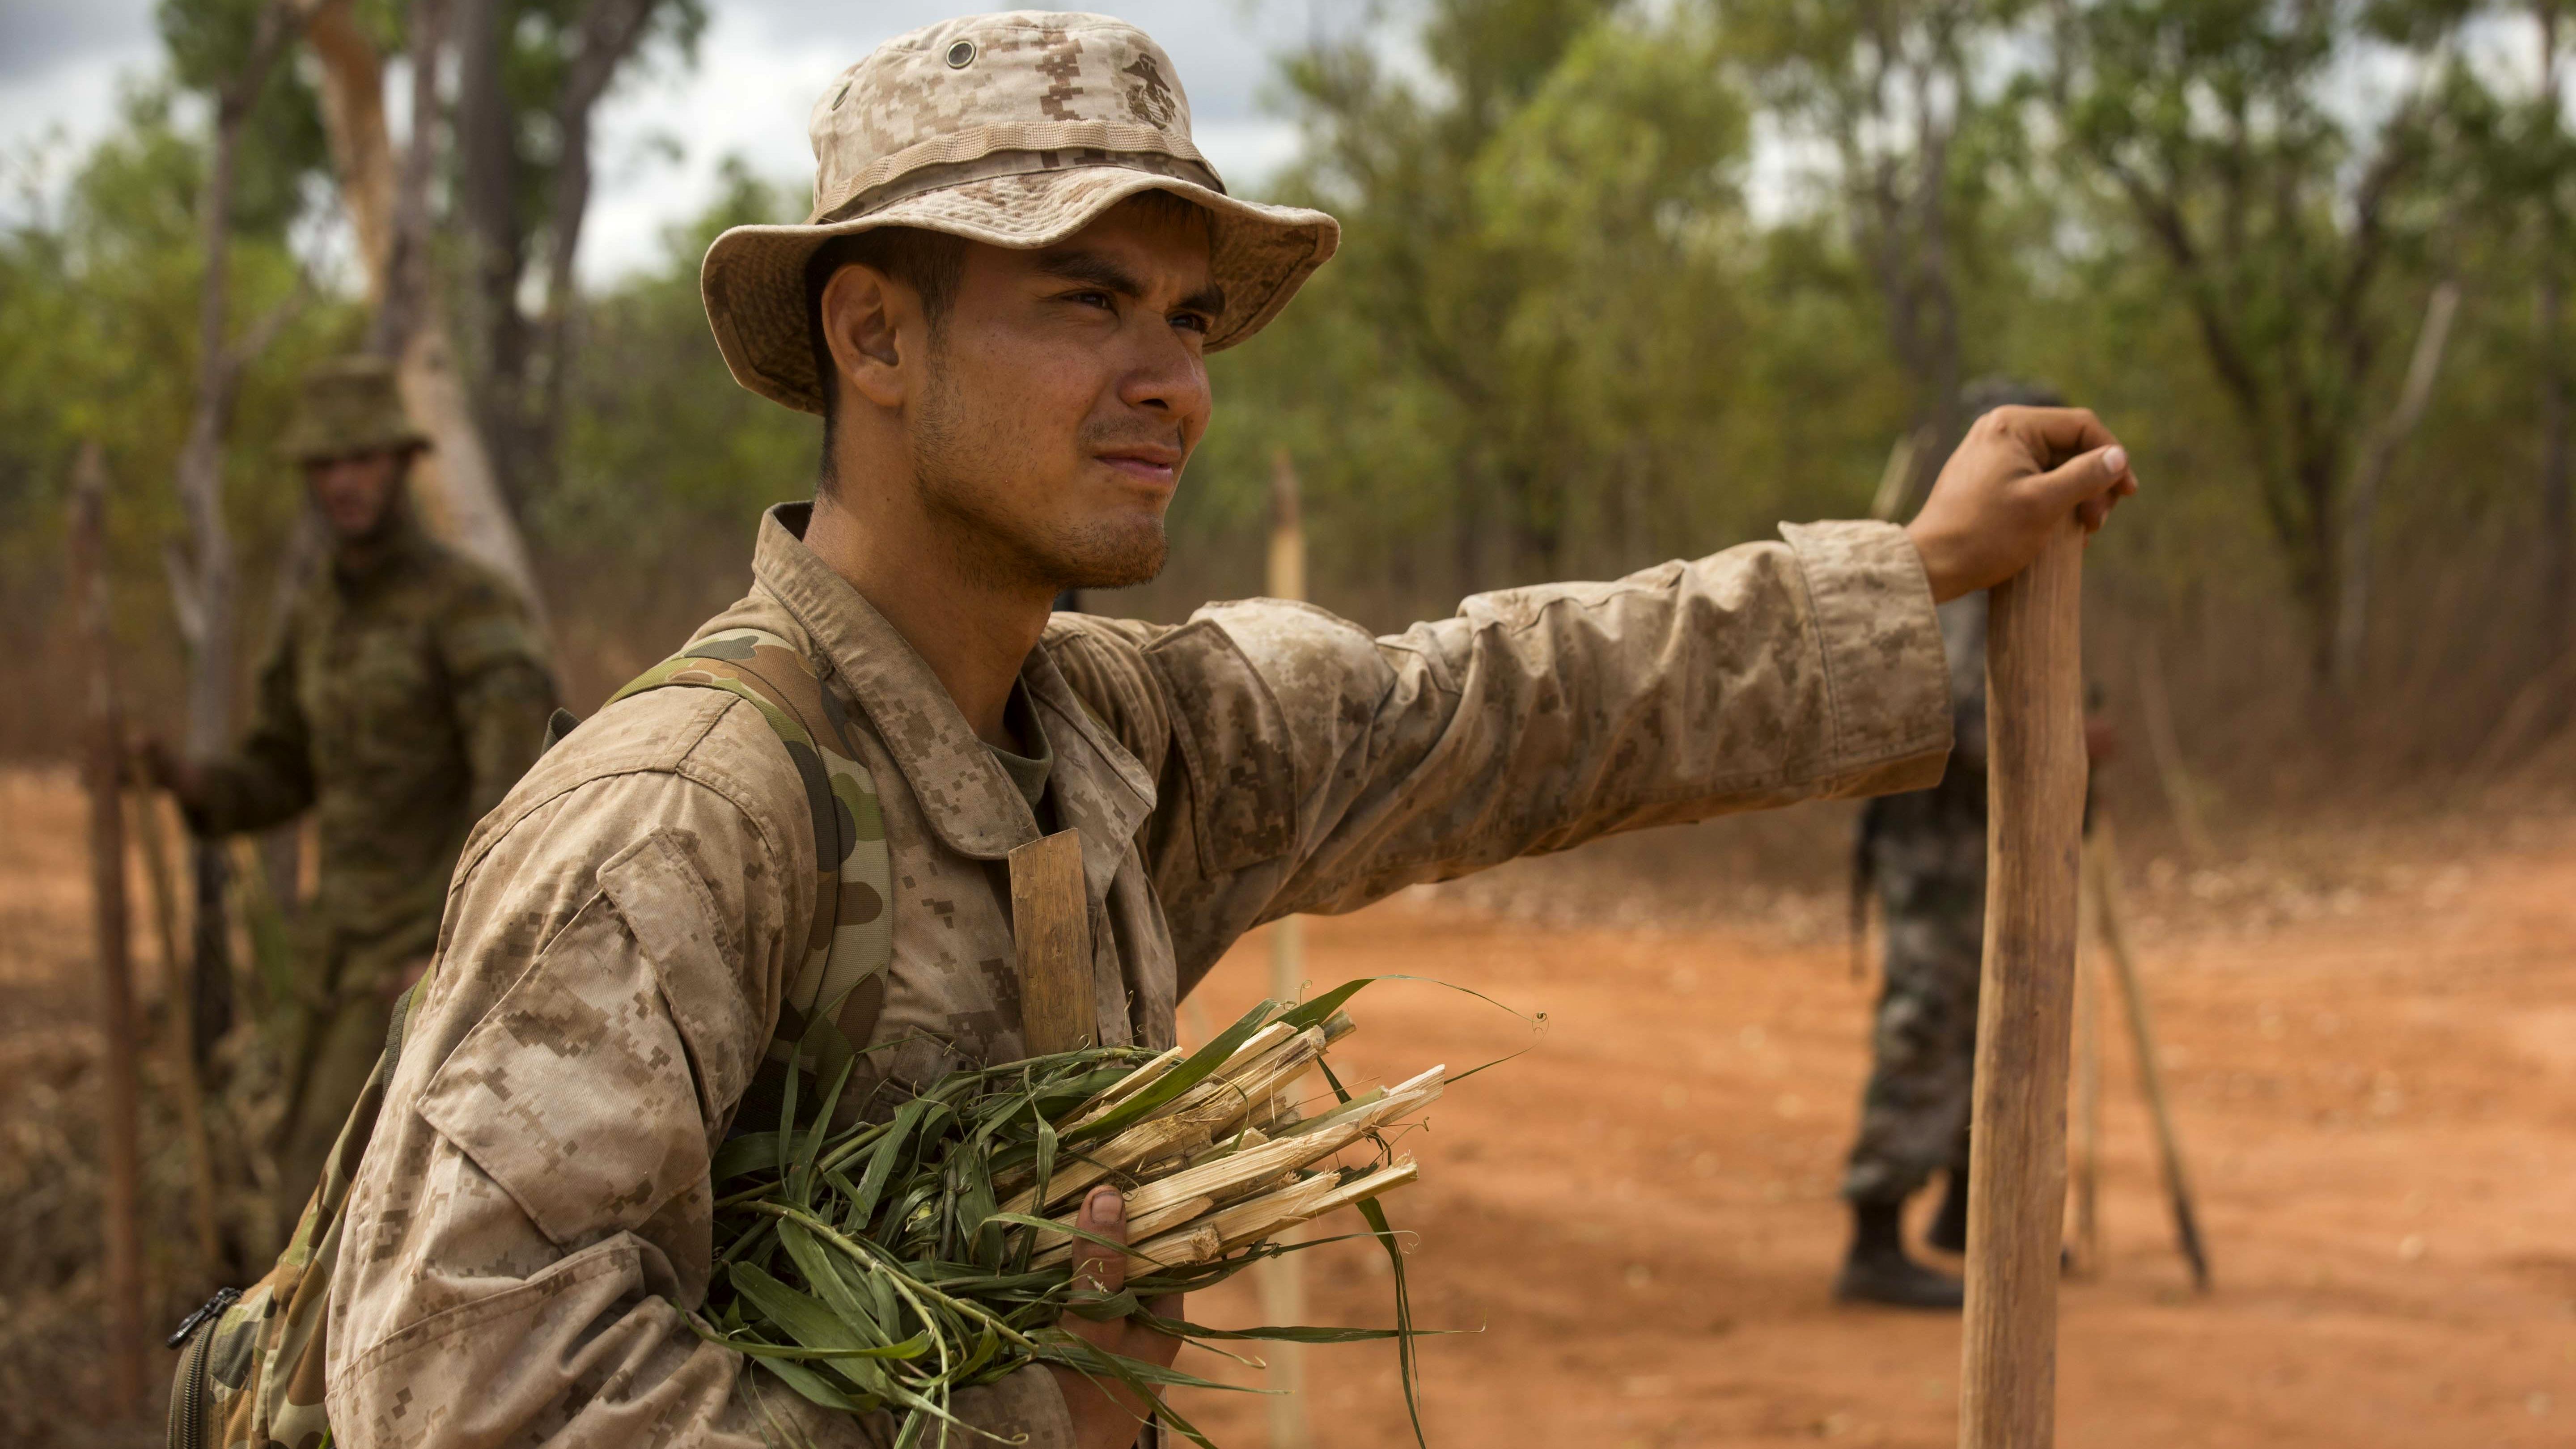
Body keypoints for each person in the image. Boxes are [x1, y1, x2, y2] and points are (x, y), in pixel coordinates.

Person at [320, 15, 2136, 1449]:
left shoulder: (1120, 744)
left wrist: (1911, 570)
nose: (1175, 383)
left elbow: (1502, 703)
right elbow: (461, 1386)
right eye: (1085, 303)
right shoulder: (684, 817)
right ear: (875, 337)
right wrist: (1026, 1422)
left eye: (1189, 319)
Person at [139, 356, 557, 1208]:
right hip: (333, 958)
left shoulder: (466, 604)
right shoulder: (317, 614)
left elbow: (520, 788)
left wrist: (452, 947)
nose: (344, 482)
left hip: (425, 955)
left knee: (343, 1196)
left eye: (362, 458)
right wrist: (186, 780)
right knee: (309, 1190)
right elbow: (282, 770)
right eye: (326, 464)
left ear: (401, 463)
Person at [1835, 383, 2115, 1309]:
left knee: (2002, 1018)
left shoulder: (2018, 558)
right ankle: (1876, 1234)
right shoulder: (1955, 561)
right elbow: (1956, 718)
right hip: (1937, 849)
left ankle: (1968, 1207)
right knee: (1931, 1021)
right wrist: (2062, 739)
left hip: (1995, 847)